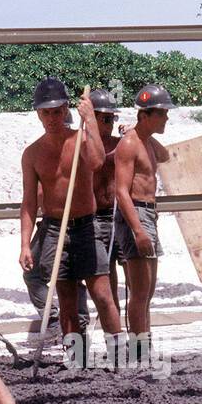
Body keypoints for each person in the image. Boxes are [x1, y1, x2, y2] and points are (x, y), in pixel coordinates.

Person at [19, 78, 123, 367]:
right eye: (46, 112)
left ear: (66, 109)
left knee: (102, 294)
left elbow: (97, 162)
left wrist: (89, 118)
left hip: (87, 227)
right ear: (38, 114)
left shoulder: (81, 140)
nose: (52, 118)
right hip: (54, 229)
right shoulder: (32, 154)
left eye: (57, 111)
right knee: (65, 298)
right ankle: (77, 360)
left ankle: (119, 358)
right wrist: (25, 244)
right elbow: (28, 203)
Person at [114, 84, 173, 366]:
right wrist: (137, 229)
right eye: (162, 114)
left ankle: (144, 346)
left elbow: (165, 156)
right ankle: (138, 352)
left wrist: (142, 131)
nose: (167, 119)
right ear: (146, 114)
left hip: (149, 213)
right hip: (136, 213)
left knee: (148, 289)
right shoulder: (129, 144)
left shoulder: (145, 141)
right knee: (139, 291)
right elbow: (121, 191)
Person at [89, 87, 123, 327]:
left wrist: (139, 135)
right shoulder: (82, 147)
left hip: (120, 216)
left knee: (133, 277)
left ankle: (137, 336)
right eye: (105, 119)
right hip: (96, 218)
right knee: (106, 276)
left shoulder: (121, 145)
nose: (110, 124)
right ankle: (114, 328)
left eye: (113, 118)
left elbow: (162, 157)